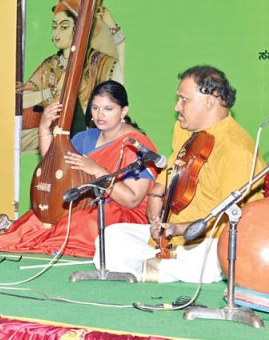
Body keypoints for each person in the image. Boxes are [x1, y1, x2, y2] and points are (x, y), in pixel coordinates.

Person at [100, 66, 265, 283]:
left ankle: (157, 266)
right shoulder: (184, 128)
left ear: (210, 100)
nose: (177, 107)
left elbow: (227, 219)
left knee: (213, 261)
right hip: (170, 235)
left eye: (184, 99)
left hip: (209, 240)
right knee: (110, 238)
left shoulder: (237, 150)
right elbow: (171, 167)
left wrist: (179, 229)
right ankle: (160, 265)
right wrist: (156, 195)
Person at [0, 81, 157, 258]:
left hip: (122, 214)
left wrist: (97, 170)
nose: (100, 115)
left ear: (123, 111)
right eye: (95, 108)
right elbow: (54, 166)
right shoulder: (85, 138)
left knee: (79, 223)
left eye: (108, 109)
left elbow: (131, 200)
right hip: (82, 205)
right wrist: (44, 128)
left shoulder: (136, 145)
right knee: (31, 224)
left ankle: (53, 243)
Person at [18, 0, 124, 153]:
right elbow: (22, 100)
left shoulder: (95, 61)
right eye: (54, 27)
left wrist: (114, 30)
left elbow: (118, 78)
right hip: (53, 135)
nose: (56, 33)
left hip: (89, 138)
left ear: (78, 31)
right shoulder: (50, 64)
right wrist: (49, 93)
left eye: (64, 27)